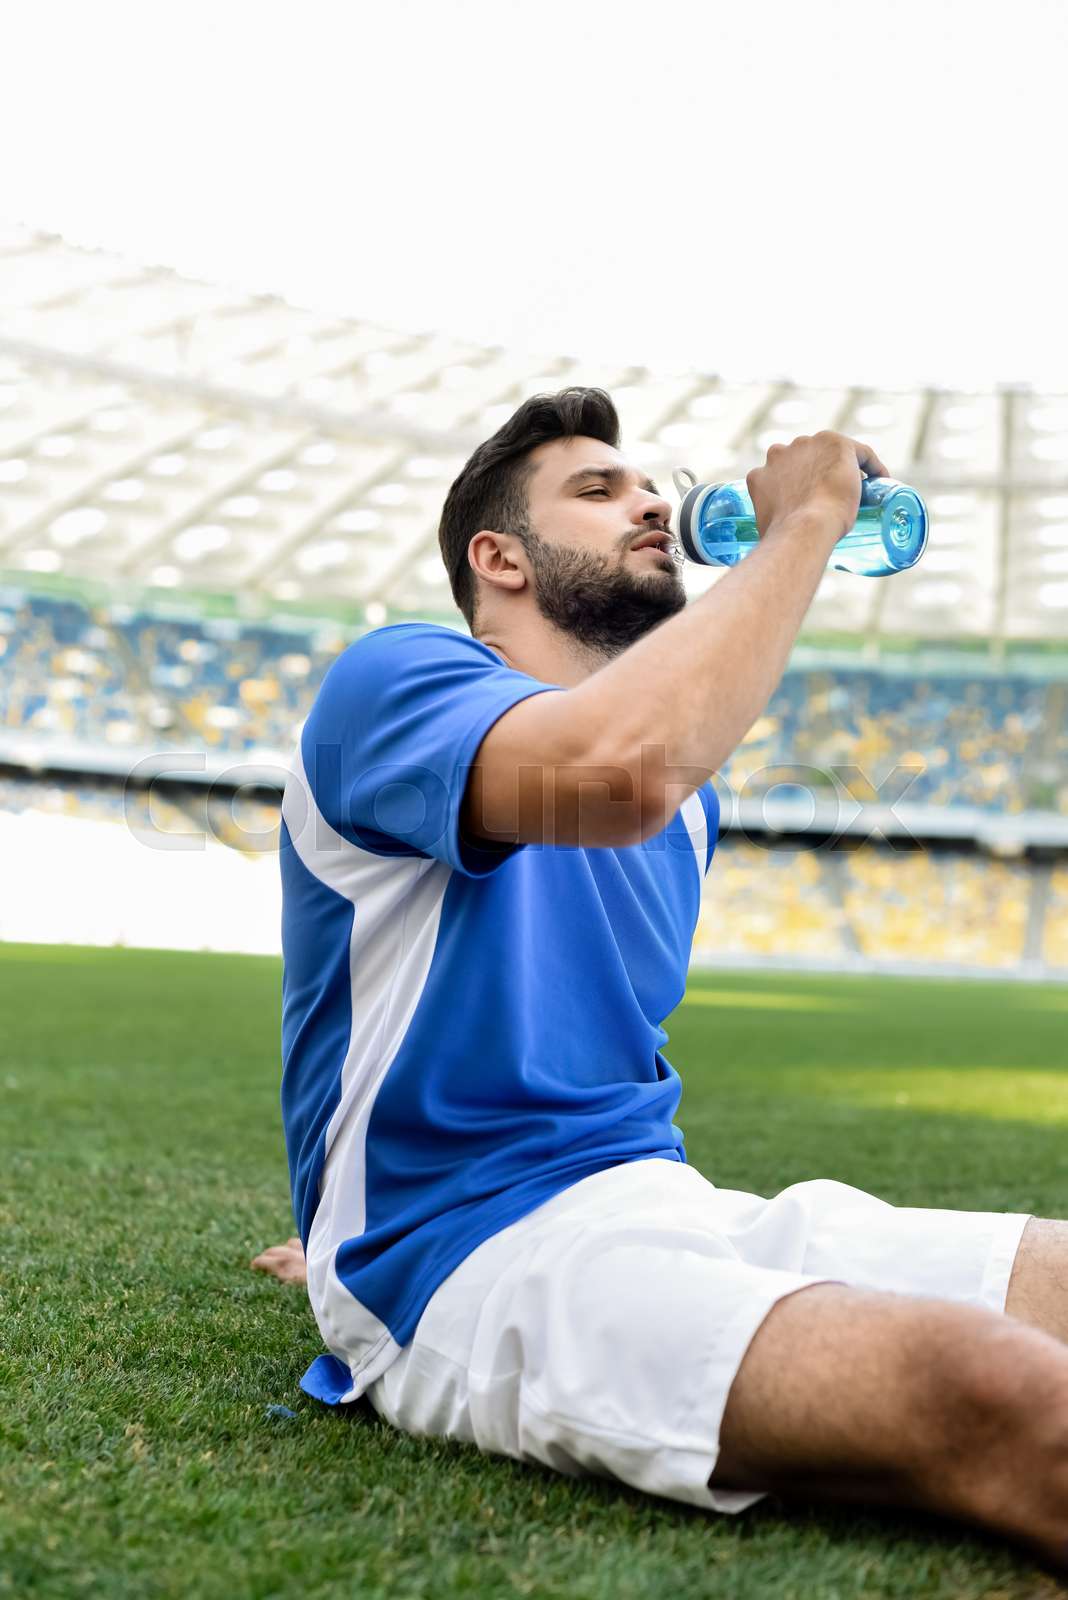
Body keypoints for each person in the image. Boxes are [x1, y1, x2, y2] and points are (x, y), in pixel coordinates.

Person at [254, 387, 1068, 1569]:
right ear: (500, 559)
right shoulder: (396, 680)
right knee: (989, 1385)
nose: (647, 502)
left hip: (667, 1200)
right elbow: (610, 768)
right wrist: (803, 525)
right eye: (596, 491)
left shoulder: (695, 801)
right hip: (472, 1256)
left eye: (646, 486)